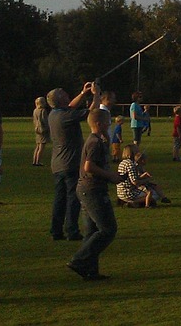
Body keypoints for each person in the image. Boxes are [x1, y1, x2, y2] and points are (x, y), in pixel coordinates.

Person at [67, 108, 119, 280]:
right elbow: (89, 167)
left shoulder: (97, 140)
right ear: (99, 124)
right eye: (107, 121)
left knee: (91, 232)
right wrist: (111, 176)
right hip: (93, 190)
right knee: (108, 229)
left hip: (85, 189)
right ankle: (78, 261)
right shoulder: (94, 142)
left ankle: (90, 271)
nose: (110, 124)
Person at [49, 82, 100, 241]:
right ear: (60, 99)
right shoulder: (66, 116)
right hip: (70, 164)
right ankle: (72, 231)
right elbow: (92, 113)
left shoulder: (55, 114)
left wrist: (84, 93)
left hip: (57, 164)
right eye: (63, 92)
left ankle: (56, 231)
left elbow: (70, 106)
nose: (66, 93)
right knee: (73, 199)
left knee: (60, 199)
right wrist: (96, 94)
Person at [33, 96, 51, 167]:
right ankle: (38, 161)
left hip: (37, 129)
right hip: (43, 129)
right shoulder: (43, 110)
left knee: (37, 146)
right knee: (41, 147)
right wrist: (48, 128)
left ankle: (34, 160)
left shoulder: (35, 110)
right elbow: (44, 121)